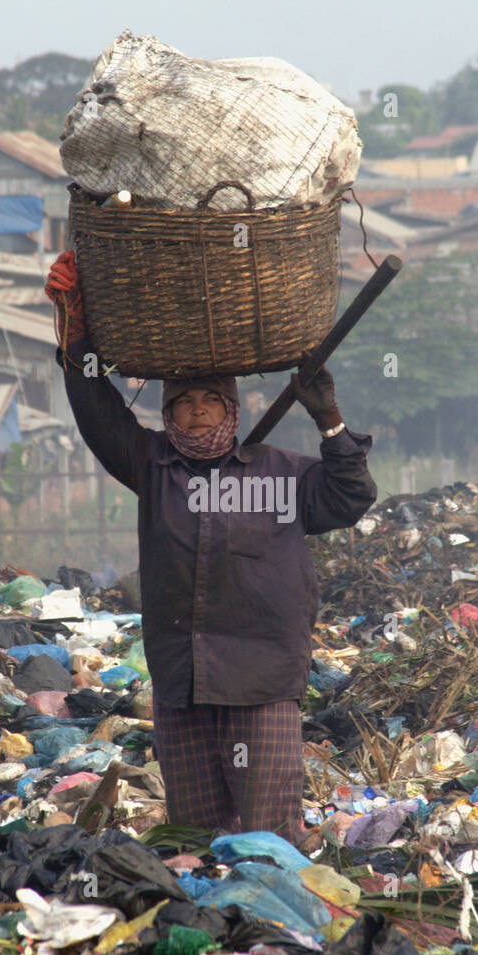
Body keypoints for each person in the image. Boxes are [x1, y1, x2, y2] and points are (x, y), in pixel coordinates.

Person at [45, 252, 377, 843]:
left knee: (270, 833)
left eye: (210, 402)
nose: (197, 413)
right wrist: (77, 333)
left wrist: (328, 416)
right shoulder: (152, 465)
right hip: (184, 683)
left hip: (263, 683)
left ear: (233, 408)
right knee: (194, 835)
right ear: (167, 413)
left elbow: (351, 496)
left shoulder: (280, 473)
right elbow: (96, 411)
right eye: (183, 403)